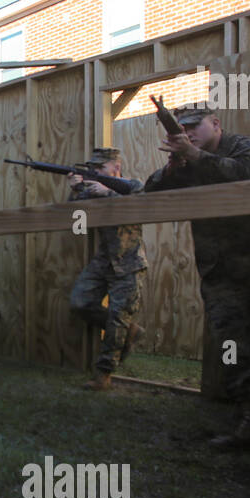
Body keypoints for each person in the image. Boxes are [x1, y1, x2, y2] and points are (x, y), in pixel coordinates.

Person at [144, 105, 250, 449]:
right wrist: (174, 167)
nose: (187, 132)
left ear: (215, 123)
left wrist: (195, 154)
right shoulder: (188, 161)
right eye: (181, 128)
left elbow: (244, 174)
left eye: (194, 126)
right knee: (230, 340)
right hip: (222, 272)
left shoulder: (246, 147)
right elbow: (151, 191)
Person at [66, 148, 147, 391]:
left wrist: (108, 192)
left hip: (129, 261)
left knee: (117, 319)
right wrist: (77, 189)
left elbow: (139, 206)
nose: (94, 172)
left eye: (99, 168)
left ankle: (104, 375)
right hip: (103, 260)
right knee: (80, 302)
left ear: (115, 168)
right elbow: (76, 218)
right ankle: (131, 331)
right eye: (92, 168)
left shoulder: (133, 185)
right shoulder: (92, 189)